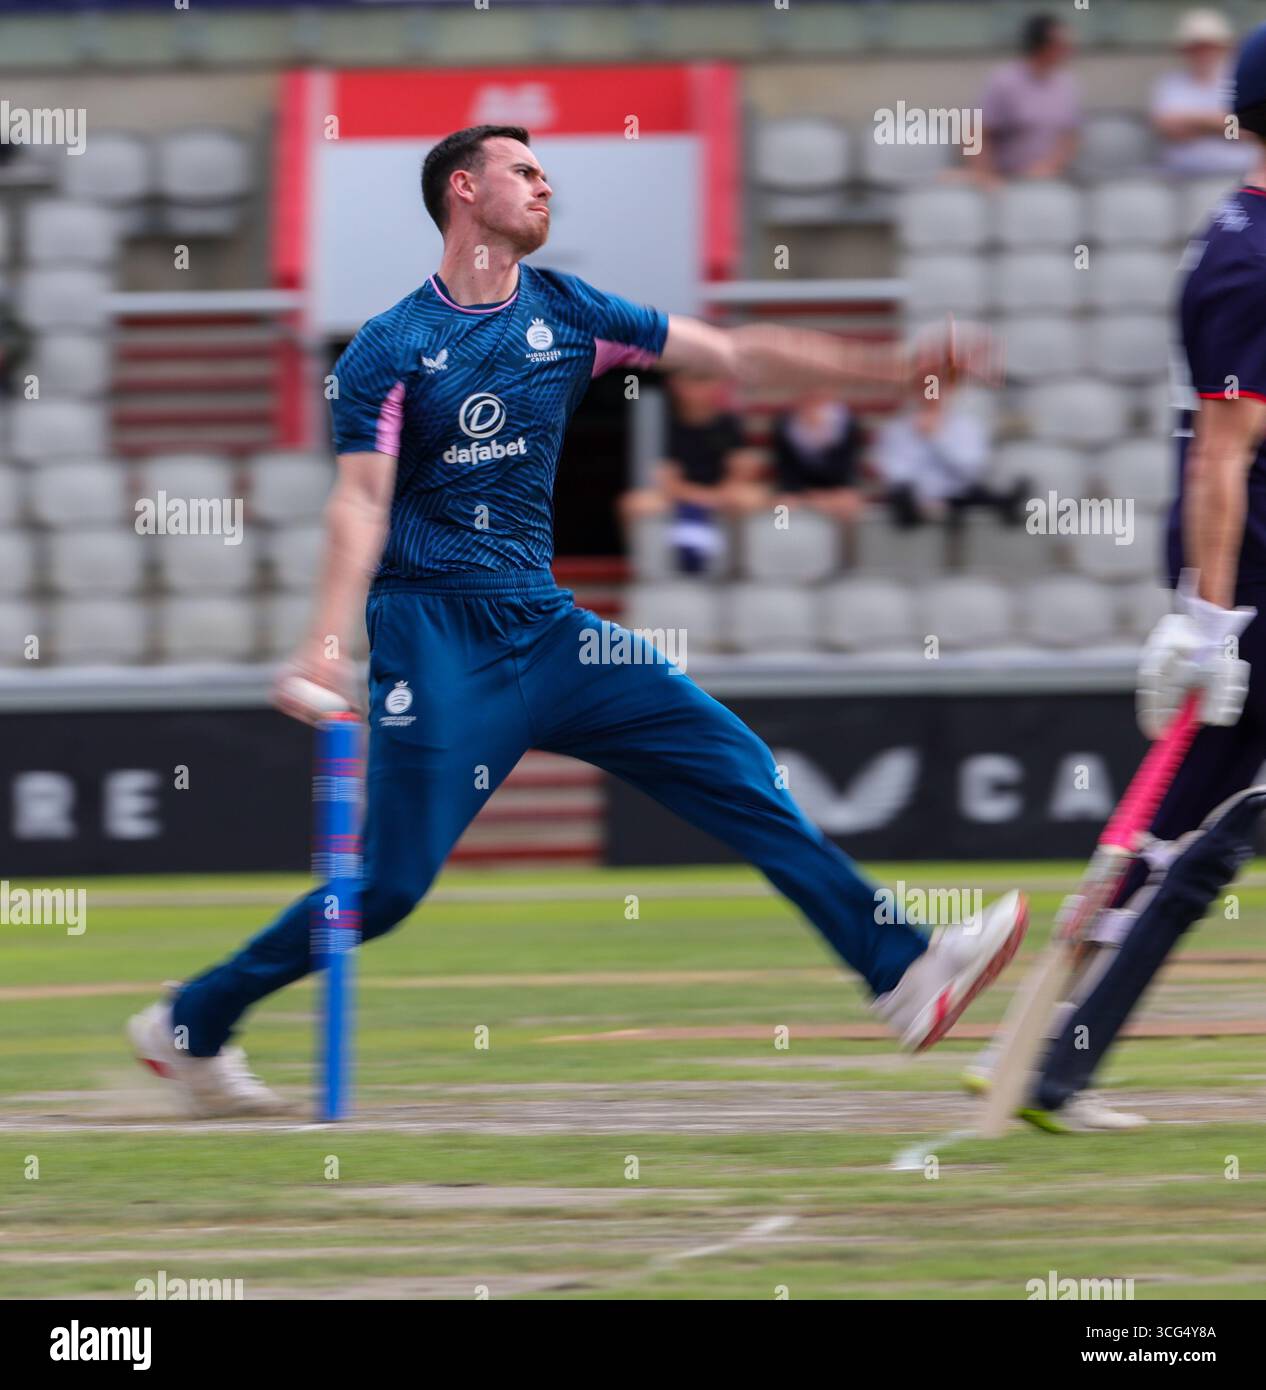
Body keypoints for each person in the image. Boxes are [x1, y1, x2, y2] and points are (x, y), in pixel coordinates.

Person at [126, 125, 1026, 1117]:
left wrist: (895, 375)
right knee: (385, 890)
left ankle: (901, 971)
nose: (546, 184)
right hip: (437, 636)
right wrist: (325, 644)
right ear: (465, 191)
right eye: (524, 170)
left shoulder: (573, 310)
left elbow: (737, 356)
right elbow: (358, 505)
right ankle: (191, 1026)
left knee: (735, 761)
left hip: (550, 631)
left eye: (546, 172)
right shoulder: (388, 349)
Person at [972, 23, 1266, 1133]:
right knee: (1210, 820)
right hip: (1258, 580)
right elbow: (1225, 455)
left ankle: (1061, 1057)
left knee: (1212, 823)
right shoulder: (1246, 255)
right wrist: (1207, 614)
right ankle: (1062, 1050)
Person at [619, 369, 764, 574]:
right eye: (691, 382)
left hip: (719, 494)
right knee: (633, 504)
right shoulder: (662, 423)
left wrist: (713, 496)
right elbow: (663, 478)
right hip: (675, 496)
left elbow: (741, 472)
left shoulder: (730, 424)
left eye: (704, 382)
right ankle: (643, 567)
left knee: (751, 498)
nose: (697, 391)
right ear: (675, 384)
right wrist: (697, 497)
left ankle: (742, 567)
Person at [873, 380, 1023, 529]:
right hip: (915, 499)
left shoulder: (967, 427)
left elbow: (971, 470)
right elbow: (894, 475)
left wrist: (936, 439)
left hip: (959, 495)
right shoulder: (896, 430)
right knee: (900, 499)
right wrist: (925, 498)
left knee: (983, 495)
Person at [975, 13, 1081, 184]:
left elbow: (1071, 136)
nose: (1069, 51)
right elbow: (975, 132)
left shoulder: (1068, 84)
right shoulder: (1003, 82)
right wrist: (986, 177)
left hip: (1052, 180)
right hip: (1007, 181)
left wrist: (1048, 167)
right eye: (1062, 45)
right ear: (1042, 47)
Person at [1151, 9, 1251, 178]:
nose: (1203, 53)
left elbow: (1246, 131)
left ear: (1223, 47)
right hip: (1182, 180)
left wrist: (1193, 122)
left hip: (1238, 177)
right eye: (1196, 47)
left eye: (1209, 46)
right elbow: (1169, 130)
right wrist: (1223, 123)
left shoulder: (1244, 80)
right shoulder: (1170, 84)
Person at [771, 391, 866, 524]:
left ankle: (842, 543)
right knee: (782, 508)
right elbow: (786, 470)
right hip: (797, 490)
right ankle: (784, 539)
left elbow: (846, 469)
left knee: (848, 504)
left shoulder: (846, 426)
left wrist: (825, 496)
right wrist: (808, 495)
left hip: (835, 489)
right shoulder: (784, 427)